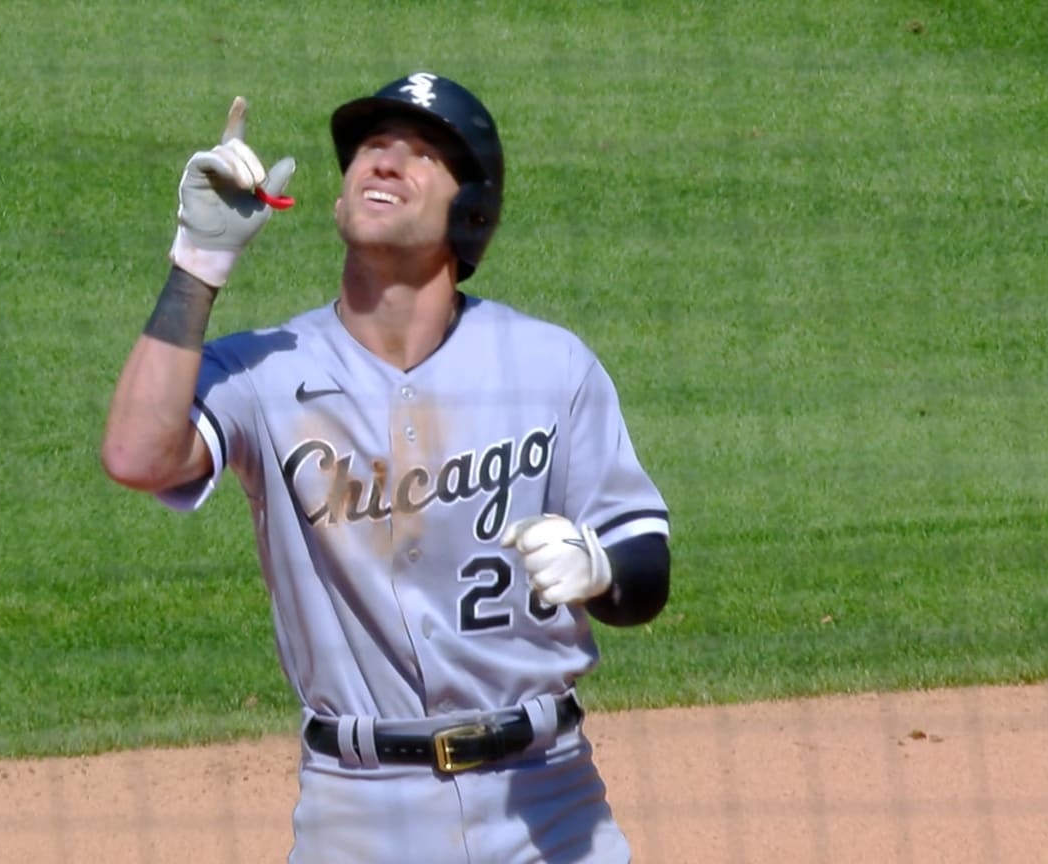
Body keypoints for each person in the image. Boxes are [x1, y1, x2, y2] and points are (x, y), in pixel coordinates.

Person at [101, 71, 671, 864]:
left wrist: (602, 565)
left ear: (471, 212)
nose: (383, 163)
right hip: (358, 813)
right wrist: (196, 266)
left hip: (547, 799)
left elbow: (646, 567)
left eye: (421, 154)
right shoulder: (266, 372)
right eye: (371, 148)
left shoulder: (548, 364)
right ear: (336, 202)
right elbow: (135, 455)